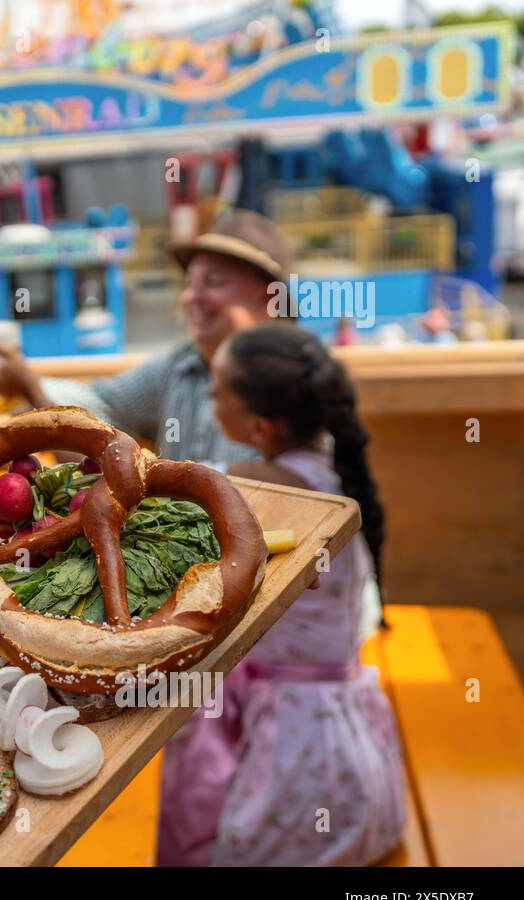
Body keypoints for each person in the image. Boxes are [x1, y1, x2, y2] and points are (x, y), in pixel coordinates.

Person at [155, 323, 405, 866]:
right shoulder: (328, 470)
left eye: (217, 391)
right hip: (337, 728)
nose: (209, 398)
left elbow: (168, 483)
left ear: (259, 426)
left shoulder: (263, 485)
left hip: (287, 744)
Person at [0, 209, 295, 465]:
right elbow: (101, 403)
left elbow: (296, 490)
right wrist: (21, 383)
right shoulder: (181, 365)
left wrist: (30, 390)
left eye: (213, 282)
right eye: (189, 283)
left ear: (269, 299)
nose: (192, 298)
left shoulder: (297, 381)